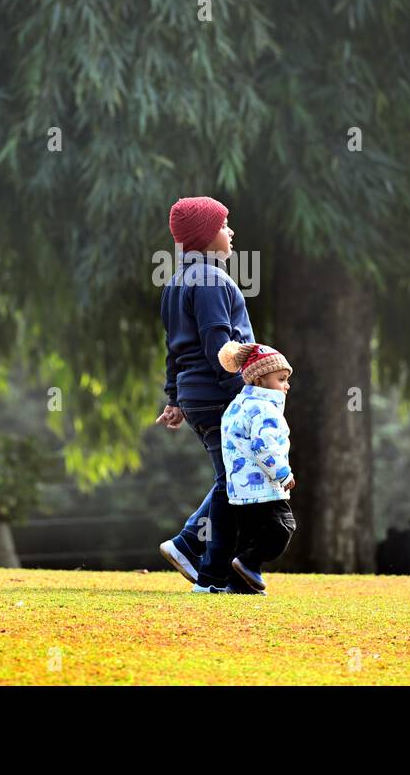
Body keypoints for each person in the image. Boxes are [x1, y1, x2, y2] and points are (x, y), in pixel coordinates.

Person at [154, 196, 255, 592]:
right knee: (232, 482)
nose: (231, 232)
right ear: (206, 235)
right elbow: (219, 346)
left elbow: (174, 348)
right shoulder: (212, 280)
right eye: (224, 225)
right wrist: (244, 396)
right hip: (220, 393)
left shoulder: (175, 282)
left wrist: (175, 398)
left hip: (197, 397)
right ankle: (195, 553)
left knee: (229, 478)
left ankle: (194, 550)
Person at [208, 341, 298, 595]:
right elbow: (263, 446)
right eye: (281, 379)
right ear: (260, 380)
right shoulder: (264, 408)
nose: (286, 385)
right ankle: (248, 563)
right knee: (283, 526)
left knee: (248, 536)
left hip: (240, 489)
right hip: (263, 485)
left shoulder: (238, 405)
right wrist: (282, 473)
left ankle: (239, 585)